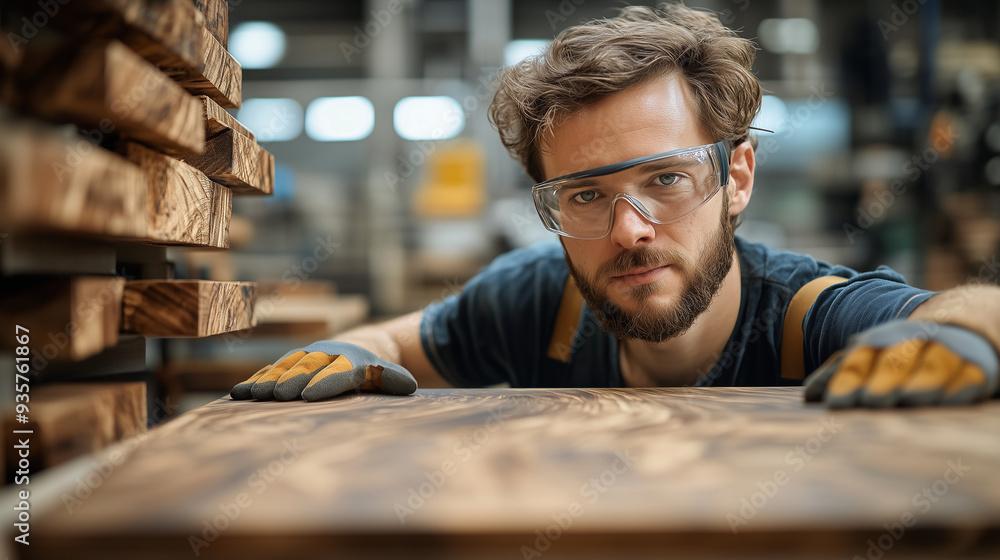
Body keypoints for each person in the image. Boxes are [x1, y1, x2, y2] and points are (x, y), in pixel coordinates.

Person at [232, 3, 999, 408]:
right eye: (588, 195)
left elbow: (968, 312)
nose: (628, 231)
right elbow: (395, 344)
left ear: (737, 177)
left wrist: (968, 337)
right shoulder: (541, 302)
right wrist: (361, 353)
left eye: (666, 179)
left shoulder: (808, 321)